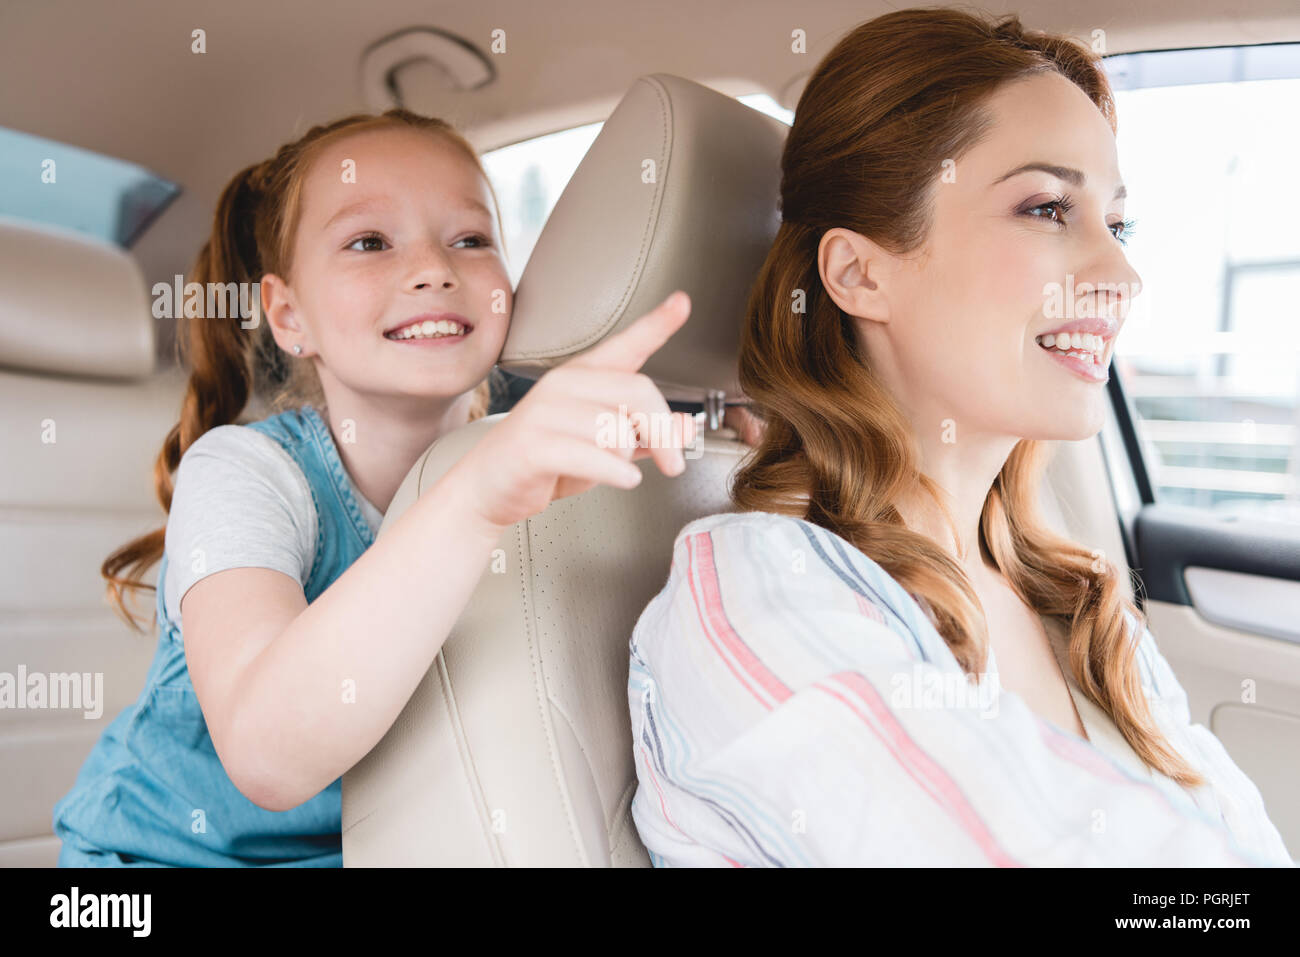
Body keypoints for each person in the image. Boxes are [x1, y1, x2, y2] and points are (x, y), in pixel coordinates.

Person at [627, 8, 1294, 867]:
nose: (1122, 273)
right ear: (860, 273)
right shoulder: (754, 593)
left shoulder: (1079, 610)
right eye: (1050, 207)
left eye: (1117, 224)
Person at [53, 108, 697, 866]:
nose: (433, 267)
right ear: (290, 316)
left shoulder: (542, 455)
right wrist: (477, 496)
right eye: (369, 243)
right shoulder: (246, 473)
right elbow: (268, 754)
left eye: (471, 239)